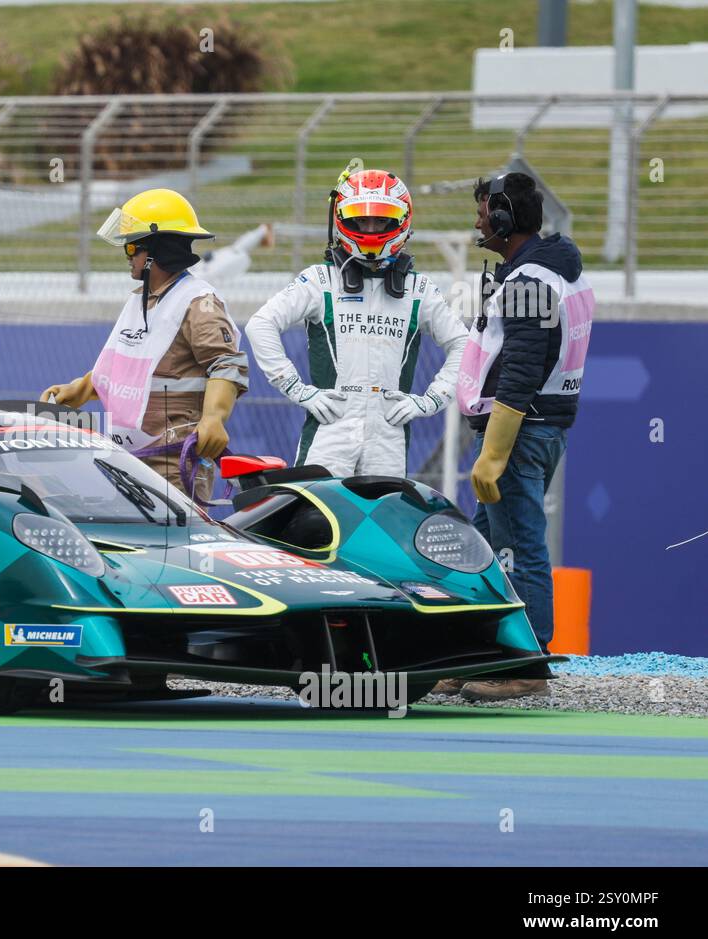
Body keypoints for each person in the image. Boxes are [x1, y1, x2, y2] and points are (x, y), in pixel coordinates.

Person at [442, 172, 594, 703]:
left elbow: (524, 368)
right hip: (538, 428)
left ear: (505, 219)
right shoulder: (555, 271)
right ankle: (481, 651)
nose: (478, 220)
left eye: (484, 211)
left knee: (517, 547)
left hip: (520, 431)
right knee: (483, 546)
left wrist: (494, 452)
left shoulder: (529, 282)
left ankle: (526, 663)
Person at [246, 167, 467, 477]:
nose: (371, 228)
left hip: (388, 433)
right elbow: (260, 325)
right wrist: (297, 390)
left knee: (381, 523)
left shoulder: (419, 289)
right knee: (315, 521)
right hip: (330, 429)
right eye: (361, 219)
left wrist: (431, 400)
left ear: (401, 220)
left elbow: (464, 344)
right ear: (343, 219)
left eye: (381, 219)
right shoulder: (320, 280)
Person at [40, 188, 248, 499]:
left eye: (132, 247)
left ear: (157, 251)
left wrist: (214, 419)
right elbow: (121, 371)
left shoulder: (197, 302)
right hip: (125, 464)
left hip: (174, 470)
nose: (127, 256)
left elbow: (227, 364)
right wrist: (79, 390)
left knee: (175, 547)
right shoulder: (141, 300)